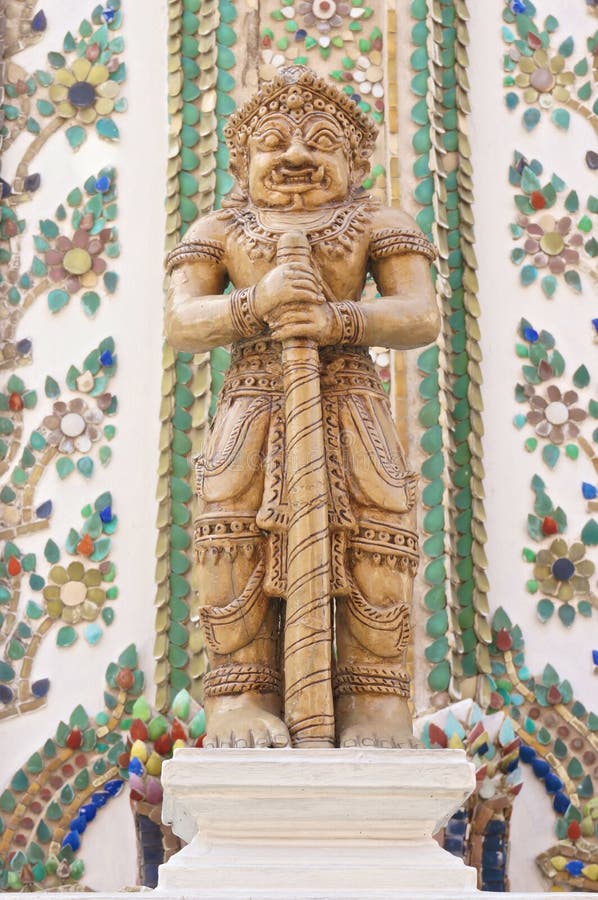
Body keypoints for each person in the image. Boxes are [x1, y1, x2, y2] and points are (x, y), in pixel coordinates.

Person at [165, 66, 439, 749]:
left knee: (377, 529)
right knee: (232, 531)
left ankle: (374, 703)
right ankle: (242, 698)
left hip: (347, 394)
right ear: (242, 163)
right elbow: (180, 320)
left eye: (320, 143)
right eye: (275, 144)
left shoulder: (376, 220)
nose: (295, 156)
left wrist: (339, 320)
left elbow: (419, 314)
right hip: (255, 398)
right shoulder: (222, 227)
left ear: (354, 161)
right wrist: (252, 304)